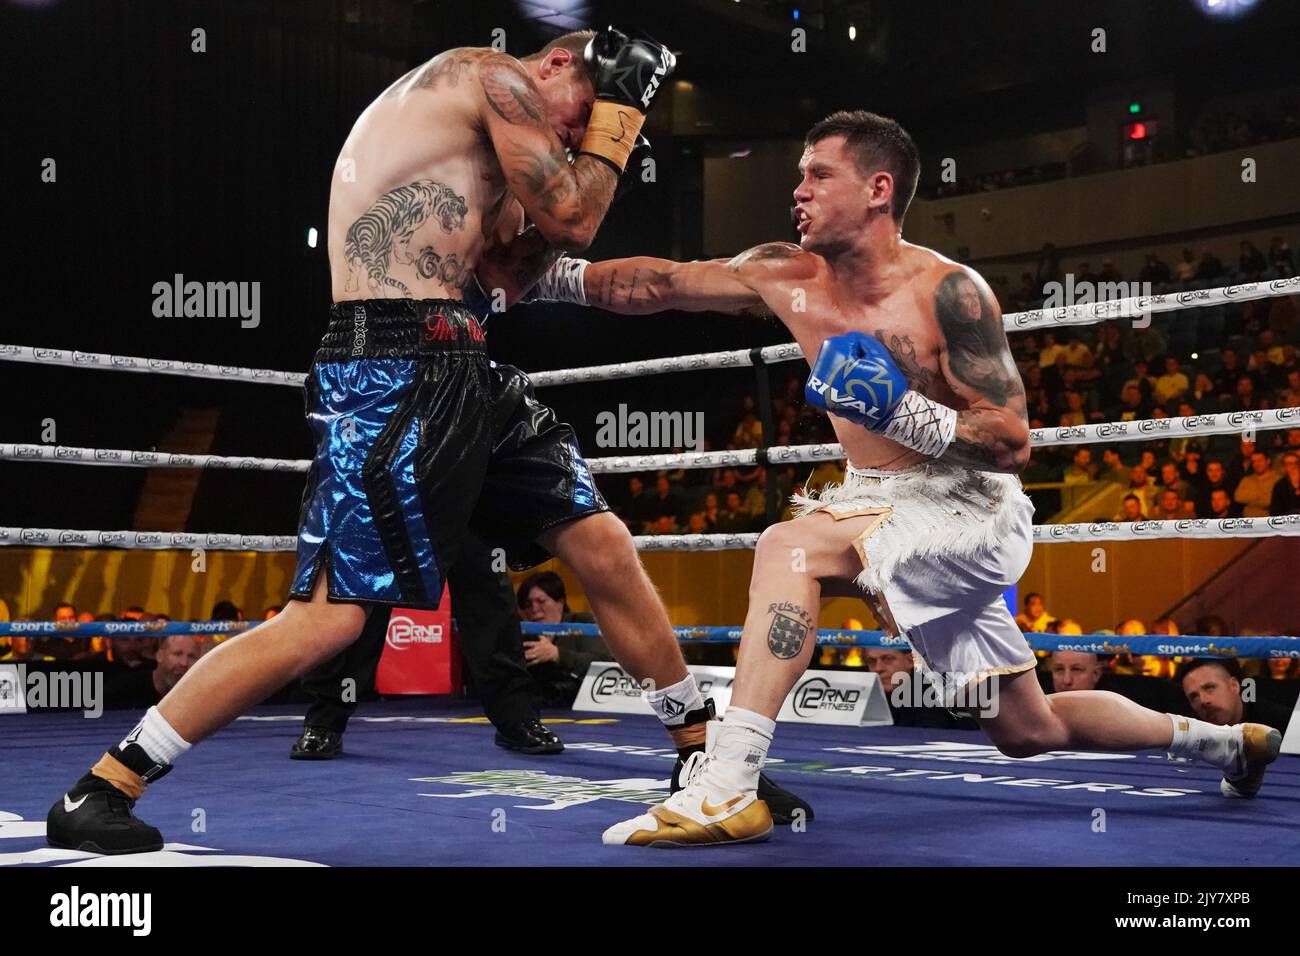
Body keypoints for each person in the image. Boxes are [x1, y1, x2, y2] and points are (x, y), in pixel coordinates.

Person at [46, 27, 809, 855]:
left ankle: (701, 759)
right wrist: (622, 117)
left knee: (601, 543)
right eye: (580, 115)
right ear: (555, 66)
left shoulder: (503, 153)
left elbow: (518, 269)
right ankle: (105, 786)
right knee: (331, 620)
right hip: (389, 361)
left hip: (464, 362)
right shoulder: (487, 77)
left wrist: (712, 276)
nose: (571, 140)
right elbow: (577, 214)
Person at [542, 110, 1280, 846]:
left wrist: (903, 411)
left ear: (878, 189)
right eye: (800, 174)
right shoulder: (783, 273)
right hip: (877, 505)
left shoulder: (950, 293)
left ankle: (727, 785)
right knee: (1028, 727)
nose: (797, 189)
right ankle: (1228, 743)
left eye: (818, 174)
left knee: (787, 547)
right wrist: (535, 276)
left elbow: (1013, 442)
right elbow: (655, 284)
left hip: (968, 510)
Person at [289, 529, 565, 759]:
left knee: (485, 579)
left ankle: (516, 717)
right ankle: (326, 719)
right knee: (367, 582)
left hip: (464, 477)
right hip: (393, 473)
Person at [516, 571, 610, 707]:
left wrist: (557, 654)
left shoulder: (584, 623)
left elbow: (604, 663)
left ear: (560, 601)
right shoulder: (524, 632)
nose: (534, 609)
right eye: (528, 604)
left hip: (588, 705)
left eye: (541, 601)